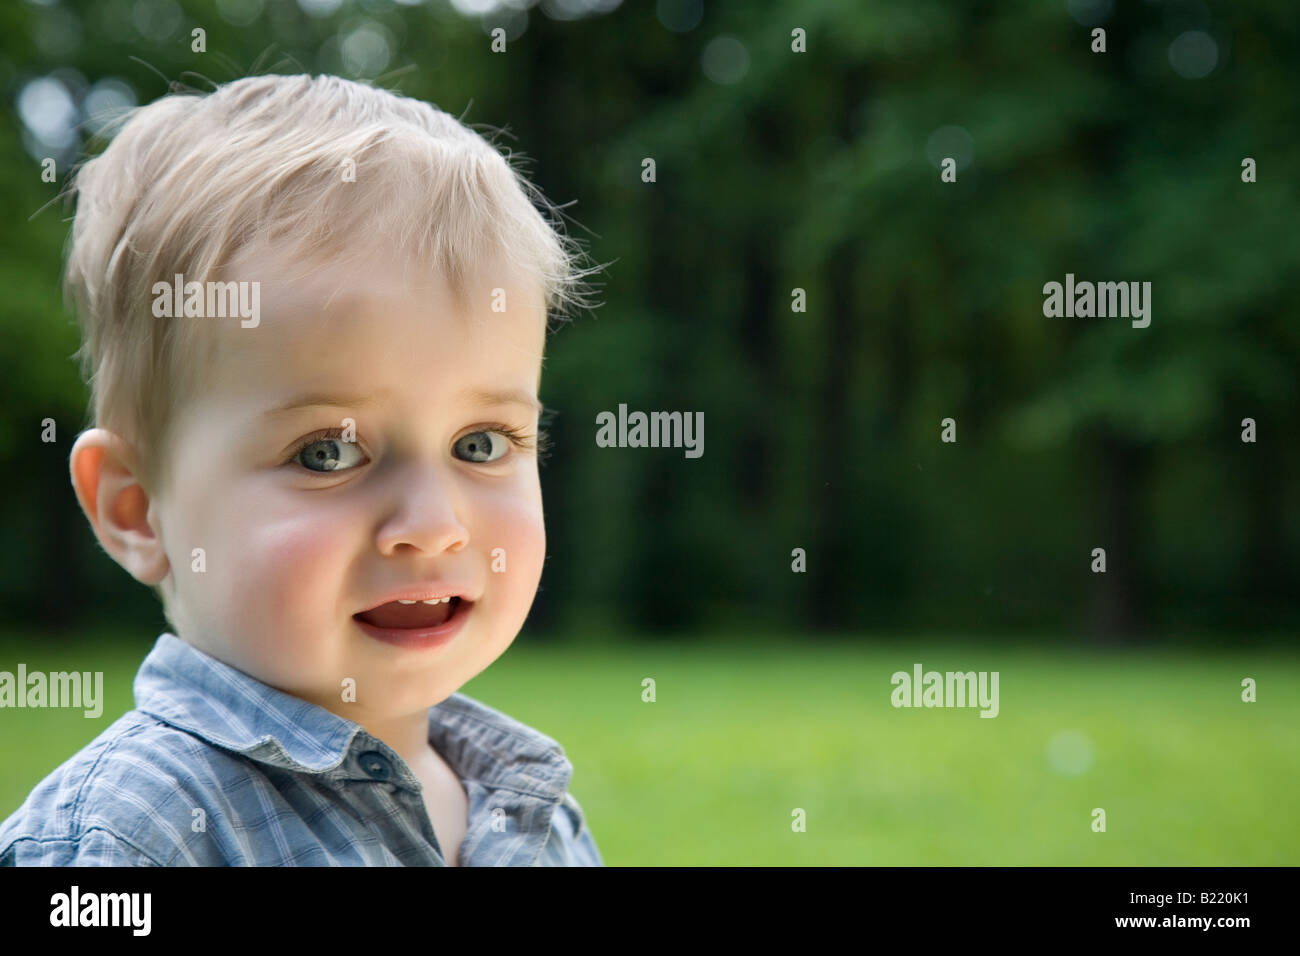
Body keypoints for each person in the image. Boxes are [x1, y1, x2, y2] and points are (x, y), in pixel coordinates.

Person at [0, 73, 604, 866]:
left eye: (482, 443)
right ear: (137, 509)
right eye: (327, 453)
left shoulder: (532, 813)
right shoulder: (134, 837)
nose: (430, 525)